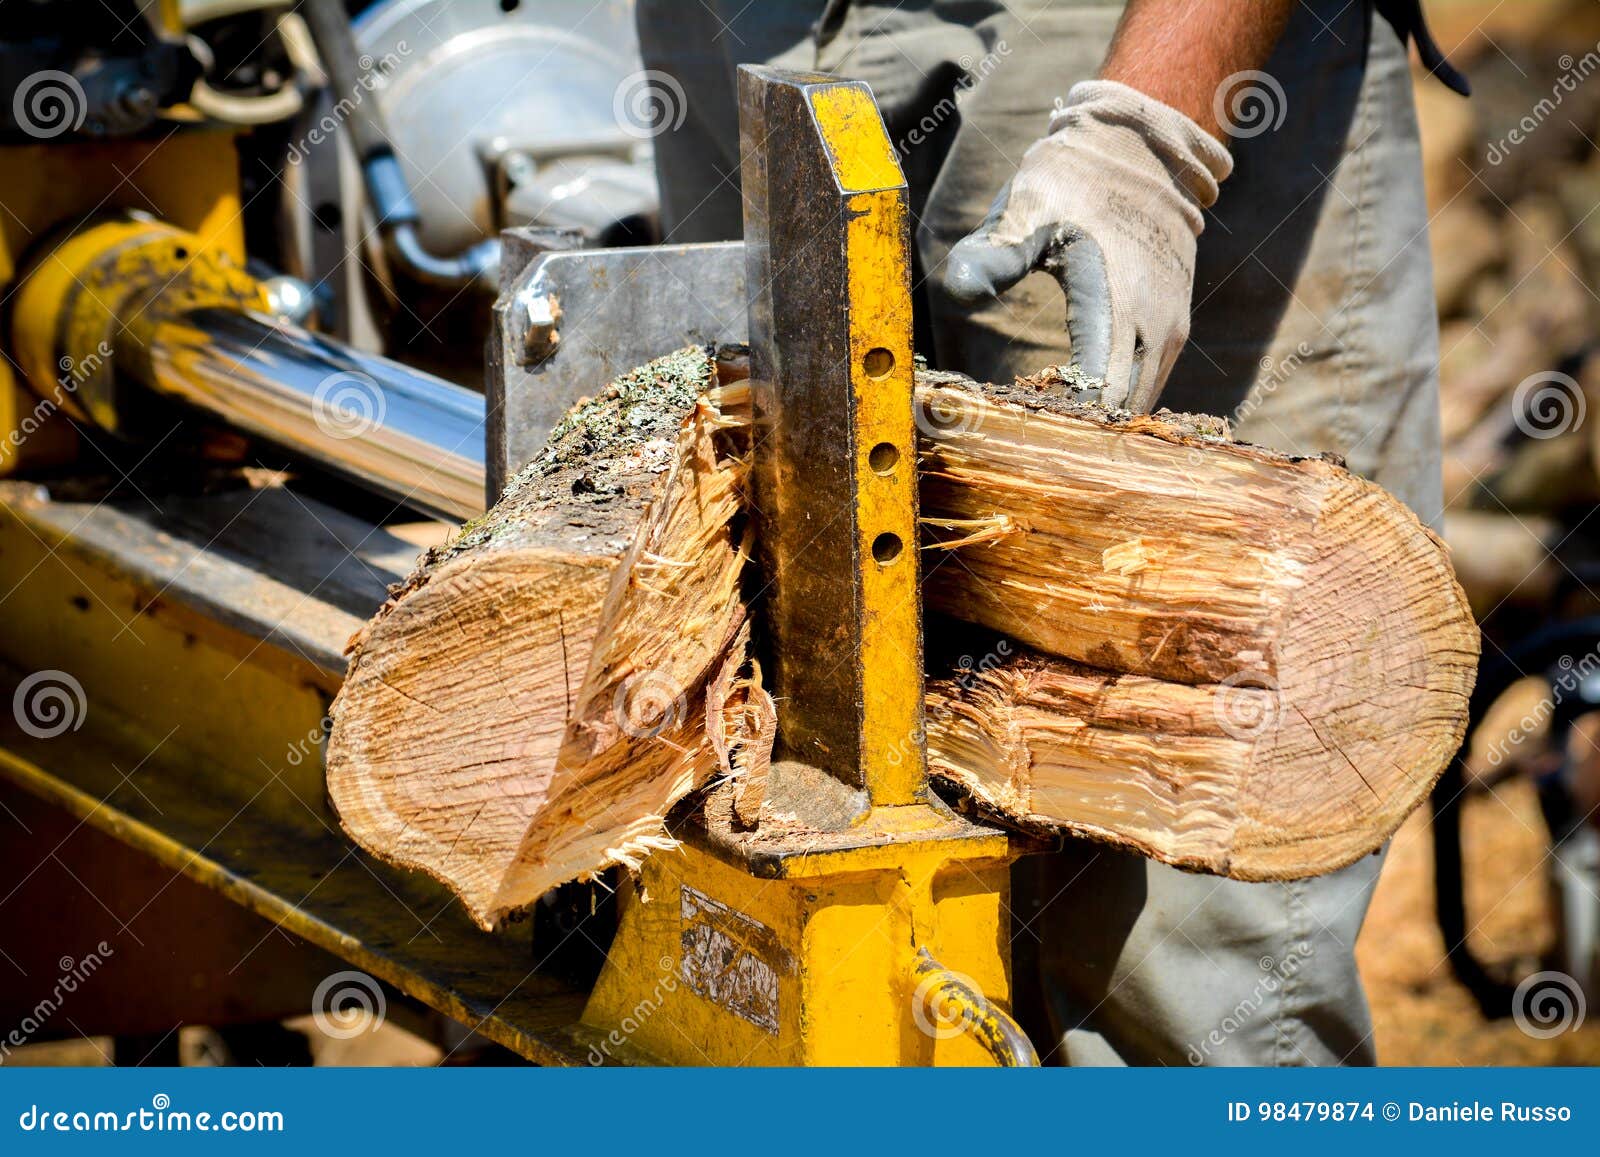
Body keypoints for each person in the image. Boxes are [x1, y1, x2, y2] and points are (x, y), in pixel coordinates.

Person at [634, 0, 1465, 1064]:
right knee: (786, 822)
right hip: (746, 32)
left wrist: (1146, 143)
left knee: (1174, 962)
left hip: (1124, 32)